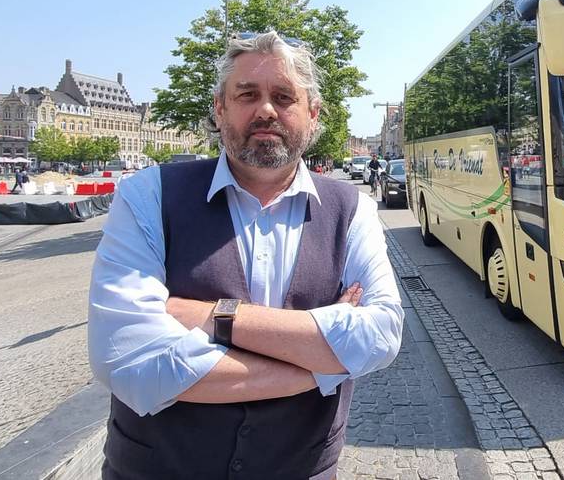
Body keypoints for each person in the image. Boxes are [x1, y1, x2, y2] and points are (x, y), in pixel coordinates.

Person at [88, 32, 403, 479]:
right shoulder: (147, 196)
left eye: (283, 96)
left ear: (312, 115)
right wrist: (320, 364)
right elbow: (128, 360)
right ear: (220, 109)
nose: (266, 109)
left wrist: (213, 317)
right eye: (247, 94)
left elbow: (381, 335)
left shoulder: (353, 211)